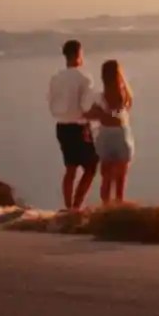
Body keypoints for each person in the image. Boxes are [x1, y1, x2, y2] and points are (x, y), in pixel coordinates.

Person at [47, 40, 98, 210]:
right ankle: (77, 205)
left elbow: (51, 102)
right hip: (79, 127)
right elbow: (86, 107)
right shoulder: (84, 78)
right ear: (78, 54)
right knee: (91, 167)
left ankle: (69, 206)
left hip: (61, 126)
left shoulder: (56, 78)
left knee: (70, 168)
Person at [86, 59, 135, 206]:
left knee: (106, 178)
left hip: (105, 136)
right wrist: (109, 115)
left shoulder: (99, 97)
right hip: (122, 135)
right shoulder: (125, 95)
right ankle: (118, 209)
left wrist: (102, 115)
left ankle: (105, 208)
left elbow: (88, 114)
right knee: (121, 180)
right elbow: (119, 113)